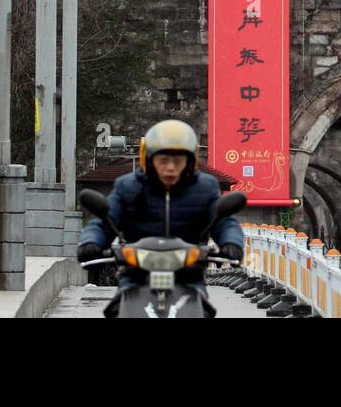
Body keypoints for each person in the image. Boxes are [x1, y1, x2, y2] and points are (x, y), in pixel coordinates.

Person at [76, 120, 244, 314]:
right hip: (136, 277)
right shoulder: (127, 186)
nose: (170, 167)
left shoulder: (205, 188)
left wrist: (232, 243)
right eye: (163, 160)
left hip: (188, 277)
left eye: (178, 160)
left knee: (204, 312)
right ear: (148, 160)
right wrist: (90, 243)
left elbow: (223, 221)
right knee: (115, 311)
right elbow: (104, 221)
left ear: (190, 162)